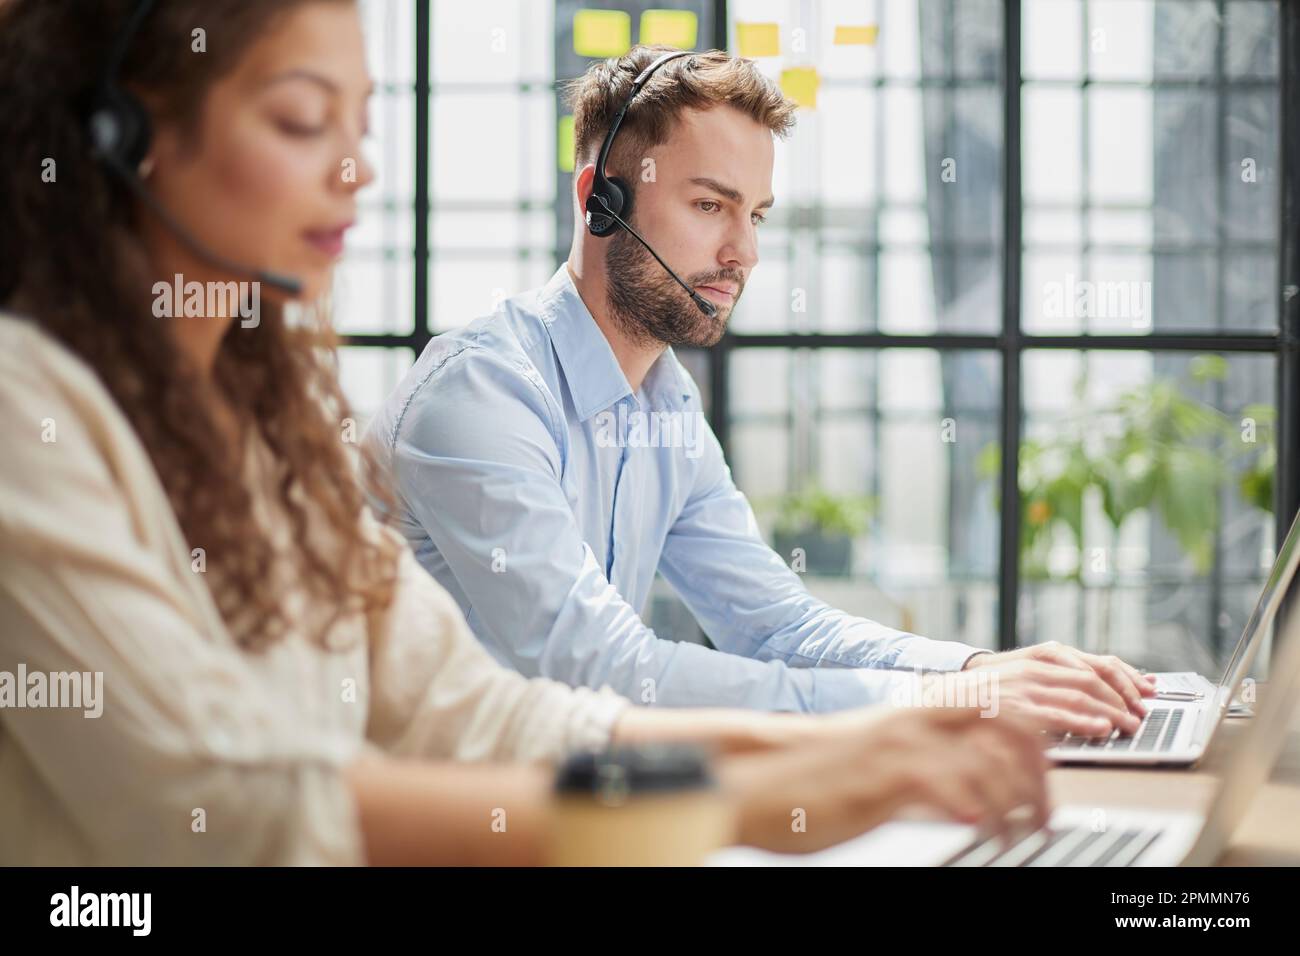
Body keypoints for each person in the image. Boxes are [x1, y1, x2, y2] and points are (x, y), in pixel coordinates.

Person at [0, 0, 1047, 866]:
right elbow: (233, 807)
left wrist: (910, 717)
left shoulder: (274, 434)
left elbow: (488, 712)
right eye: (300, 121)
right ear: (122, 142)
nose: (359, 173)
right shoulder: (25, 418)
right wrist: (757, 790)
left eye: (361, 126)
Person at [363, 45, 1157, 733]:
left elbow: (776, 626)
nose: (743, 253)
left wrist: (977, 671)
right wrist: (938, 704)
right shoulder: (483, 396)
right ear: (600, 203)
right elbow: (597, 668)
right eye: (710, 205)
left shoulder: (665, 406)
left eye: (757, 216)